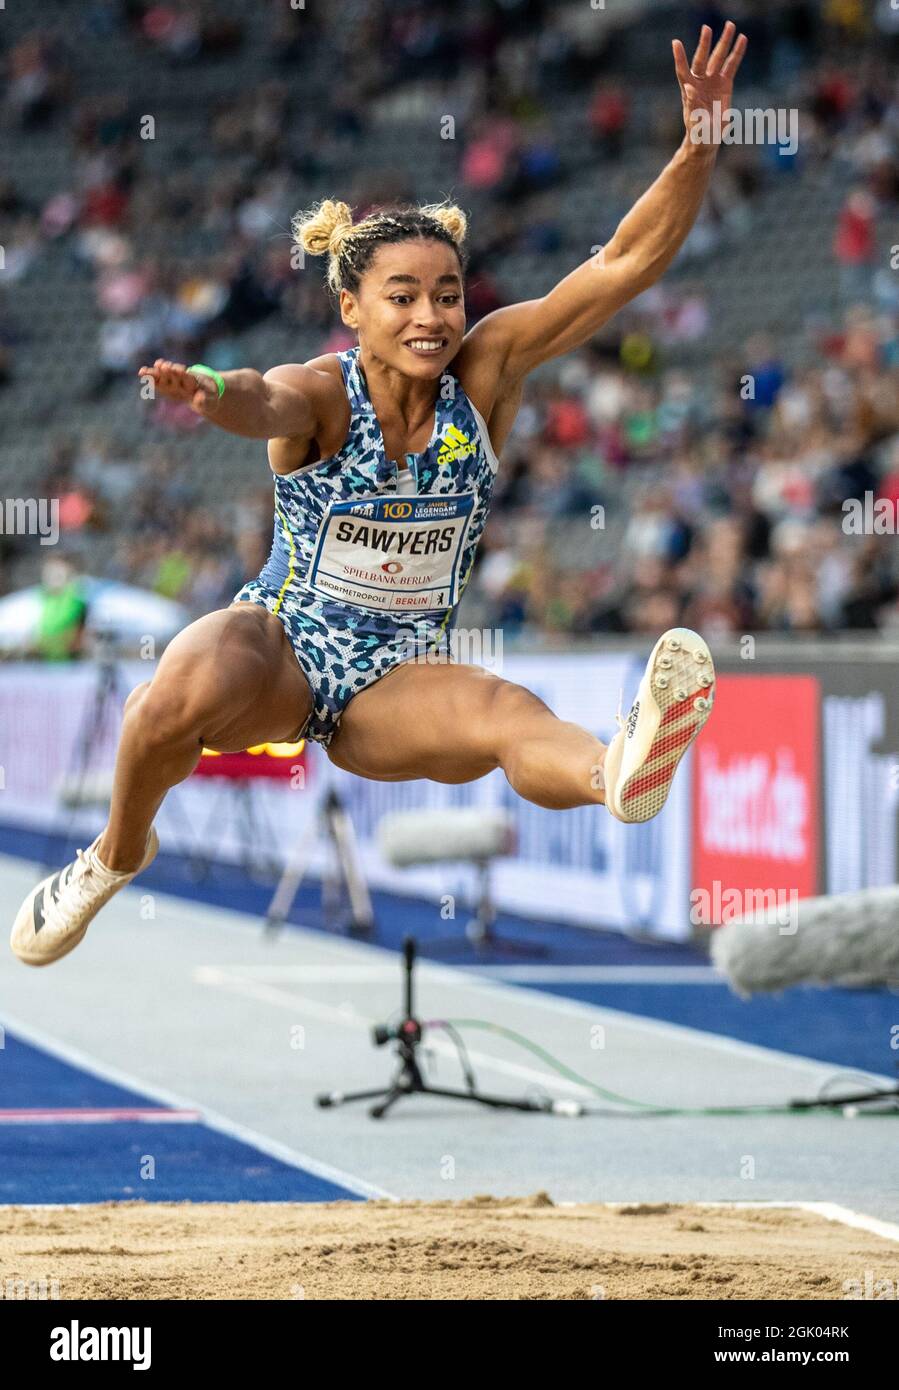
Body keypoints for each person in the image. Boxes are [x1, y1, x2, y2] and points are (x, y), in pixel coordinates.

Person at [12, 21, 746, 968]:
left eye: (447, 293)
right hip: (282, 646)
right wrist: (211, 391)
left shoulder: (486, 373)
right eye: (403, 296)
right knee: (176, 690)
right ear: (352, 307)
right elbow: (261, 398)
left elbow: (619, 266)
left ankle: (615, 770)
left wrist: (696, 147)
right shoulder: (322, 391)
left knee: (503, 711)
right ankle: (112, 858)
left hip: (396, 675)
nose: (433, 316)